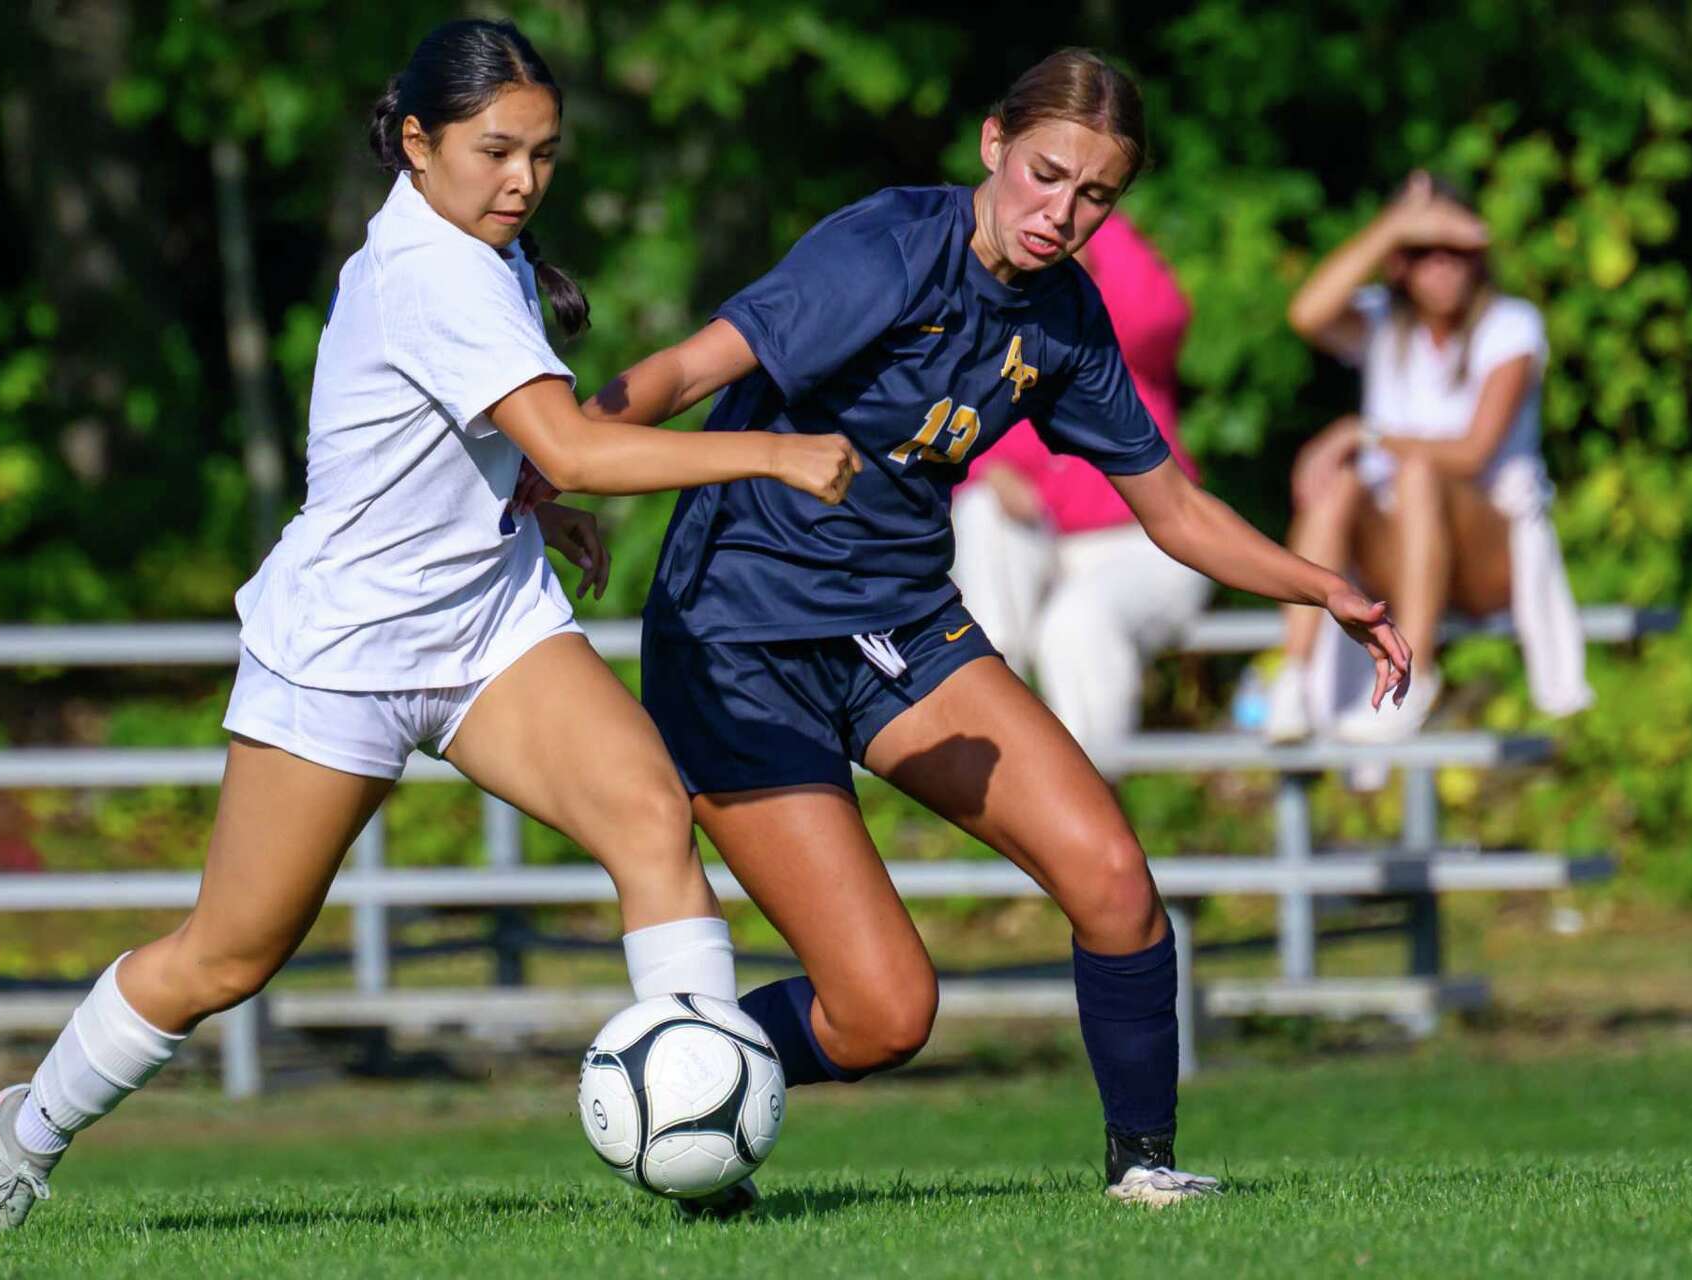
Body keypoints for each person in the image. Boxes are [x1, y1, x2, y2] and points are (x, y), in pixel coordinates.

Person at [0, 19, 861, 1237]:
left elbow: (472, 437)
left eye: (543, 154)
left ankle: (705, 1152)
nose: (524, 180)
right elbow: (572, 433)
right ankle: (27, 1129)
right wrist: (772, 451)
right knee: (227, 956)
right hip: (345, 656)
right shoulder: (431, 265)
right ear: (416, 145)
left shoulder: (486, 248)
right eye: (496, 151)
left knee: (648, 813)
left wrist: (534, 499)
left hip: (484, 625)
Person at [545, 48, 1411, 1210]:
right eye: (1047, 174)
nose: (1064, 212)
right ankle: (659, 1082)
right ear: (995, 146)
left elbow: (1175, 507)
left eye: (1097, 194)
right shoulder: (885, 250)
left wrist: (1323, 586)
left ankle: (1143, 1169)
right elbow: (684, 369)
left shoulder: (1064, 319)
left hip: (902, 629)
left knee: (1111, 875)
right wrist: (562, 470)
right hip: (737, 643)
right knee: (885, 1011)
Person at [1263, 171, 1590, 744]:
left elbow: (1471, 453)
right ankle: (1294, 676)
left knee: (1419, 475)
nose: (1441, 267)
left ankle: (1411, 678)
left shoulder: (1512, 326)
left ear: (1477, 259)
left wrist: (1361, 435)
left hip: (1488, 555)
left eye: (1454, 252)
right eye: (1422, 252)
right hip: (1402, 559)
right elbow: (1305, 314)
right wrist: (1393, 225)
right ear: (1400, 264)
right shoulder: (1385, 325)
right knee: (1336, 487)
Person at [950, 211, 1210, 762]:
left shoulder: (1118, 320)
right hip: (1043, 550)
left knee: (1075, 623)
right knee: (979, 508)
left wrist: (1092, 239)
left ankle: (1081, 798)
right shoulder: (989, 349)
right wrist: (981, 471)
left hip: (1146, 546)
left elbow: (1160, 318)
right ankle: (992, 699)